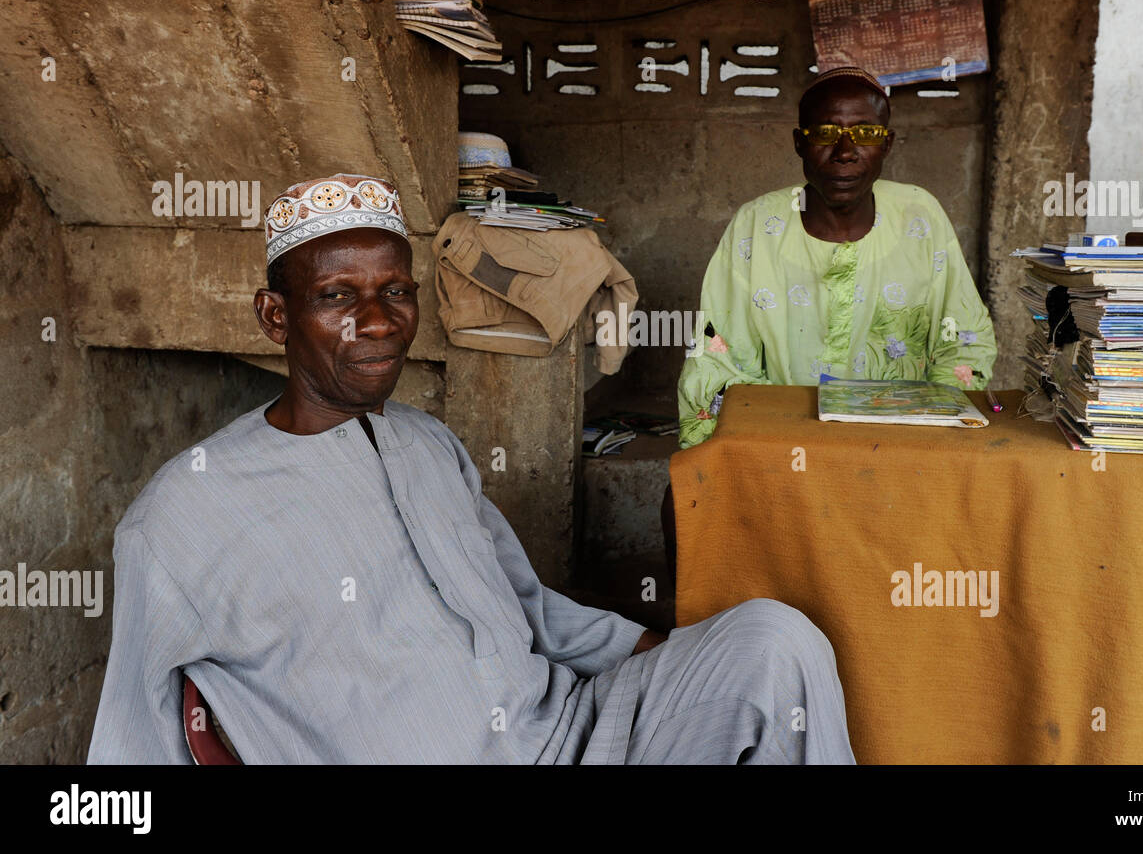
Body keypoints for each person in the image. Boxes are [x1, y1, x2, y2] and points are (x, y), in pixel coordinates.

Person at [86, 173, 856, 765]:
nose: (378, 320)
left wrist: (676, 661)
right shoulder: (182, 516)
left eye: (394, 291)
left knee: (774, 641)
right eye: (336, 296)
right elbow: (130, 744)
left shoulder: (426, 443)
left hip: (570, 735)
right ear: (275, 316)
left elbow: (530, 609)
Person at [676, 66, 996, 449]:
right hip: (780, 440)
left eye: (865, 134)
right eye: (826, 134)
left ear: (887, 144)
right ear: (799, 143)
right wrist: (787, 436)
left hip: (905, 442)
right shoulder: (757, 225)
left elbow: (963, 339)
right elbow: (718, 357)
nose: (845, 152)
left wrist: (924, 429)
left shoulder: (920, 217)